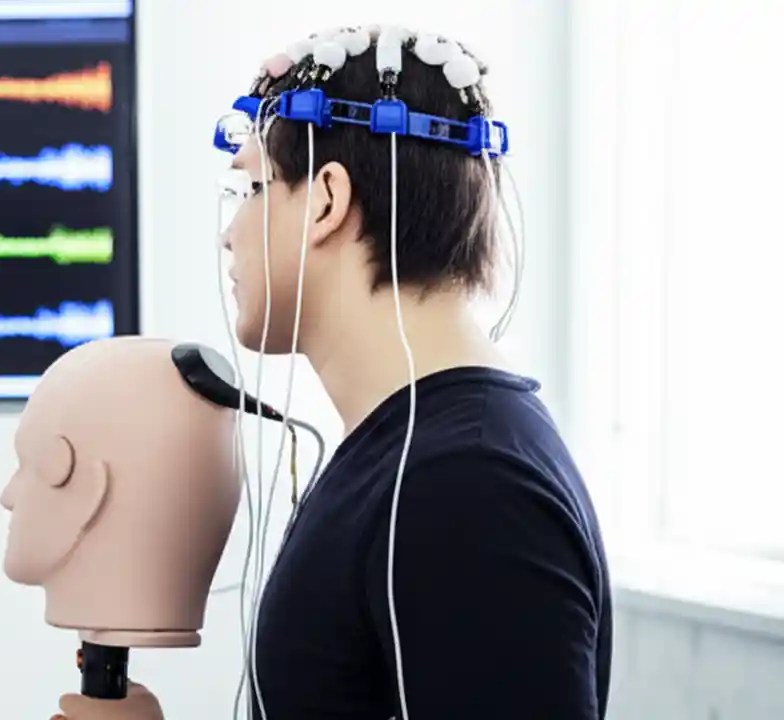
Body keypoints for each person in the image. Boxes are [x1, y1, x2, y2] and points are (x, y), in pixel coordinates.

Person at [51, 26, 612, 720]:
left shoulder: (465, 486)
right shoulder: (413, 454)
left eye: (254, 187)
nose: (231, 231)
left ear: (325, 200)